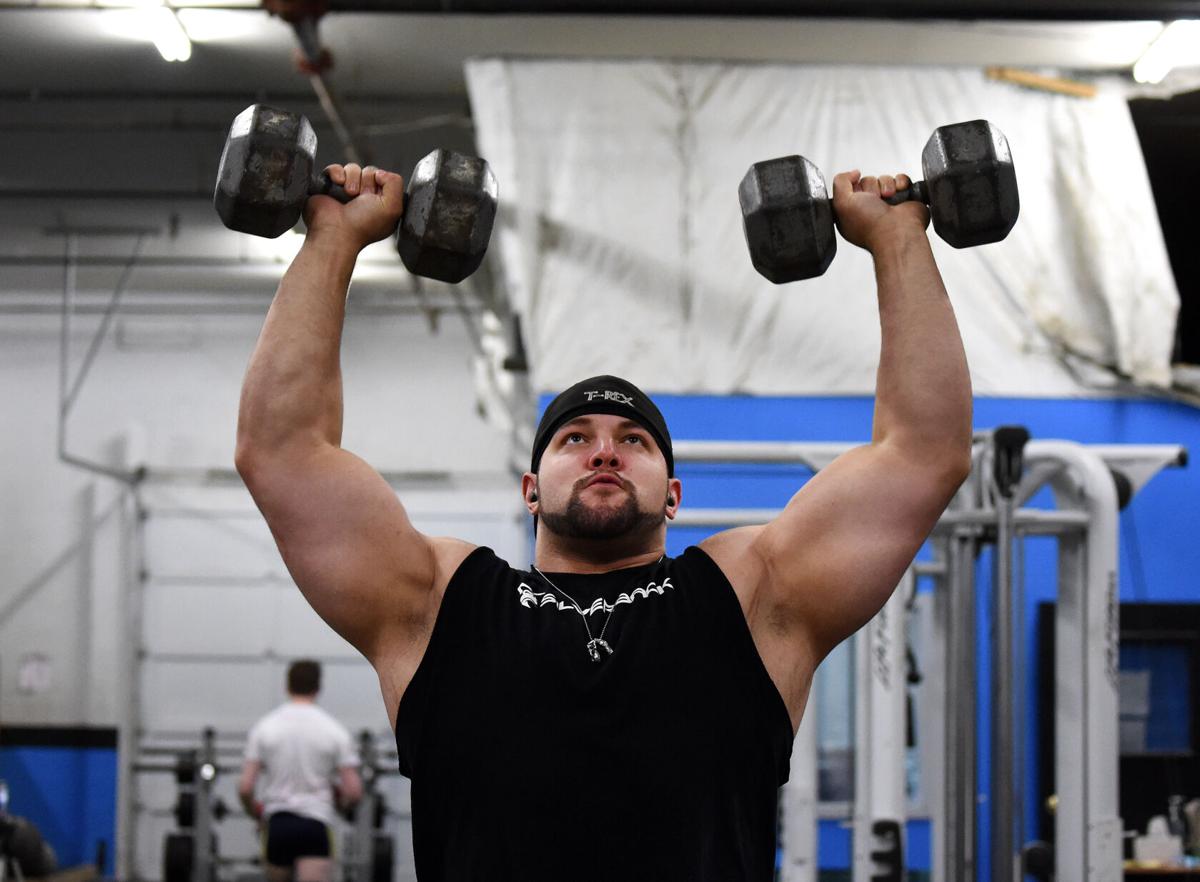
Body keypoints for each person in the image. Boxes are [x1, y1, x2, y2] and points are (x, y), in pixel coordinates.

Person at [234, 162, 972, 881]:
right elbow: (282, 452)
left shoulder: (751, 599)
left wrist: (899, 237)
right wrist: (331, 237)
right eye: (574, 439)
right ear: (530, 490)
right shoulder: (438, 605)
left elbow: (923, 454)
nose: (605, 453)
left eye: (634, 441)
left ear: (673, 495)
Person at [238, 660, 363, 882]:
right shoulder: (334, 731)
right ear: (318, 687)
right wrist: (342, 806)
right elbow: (353, 791)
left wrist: (255, 813)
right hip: (315, 823)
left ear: (287, 686)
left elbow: (246, 787)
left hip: (278, 824)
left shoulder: (265, 728)